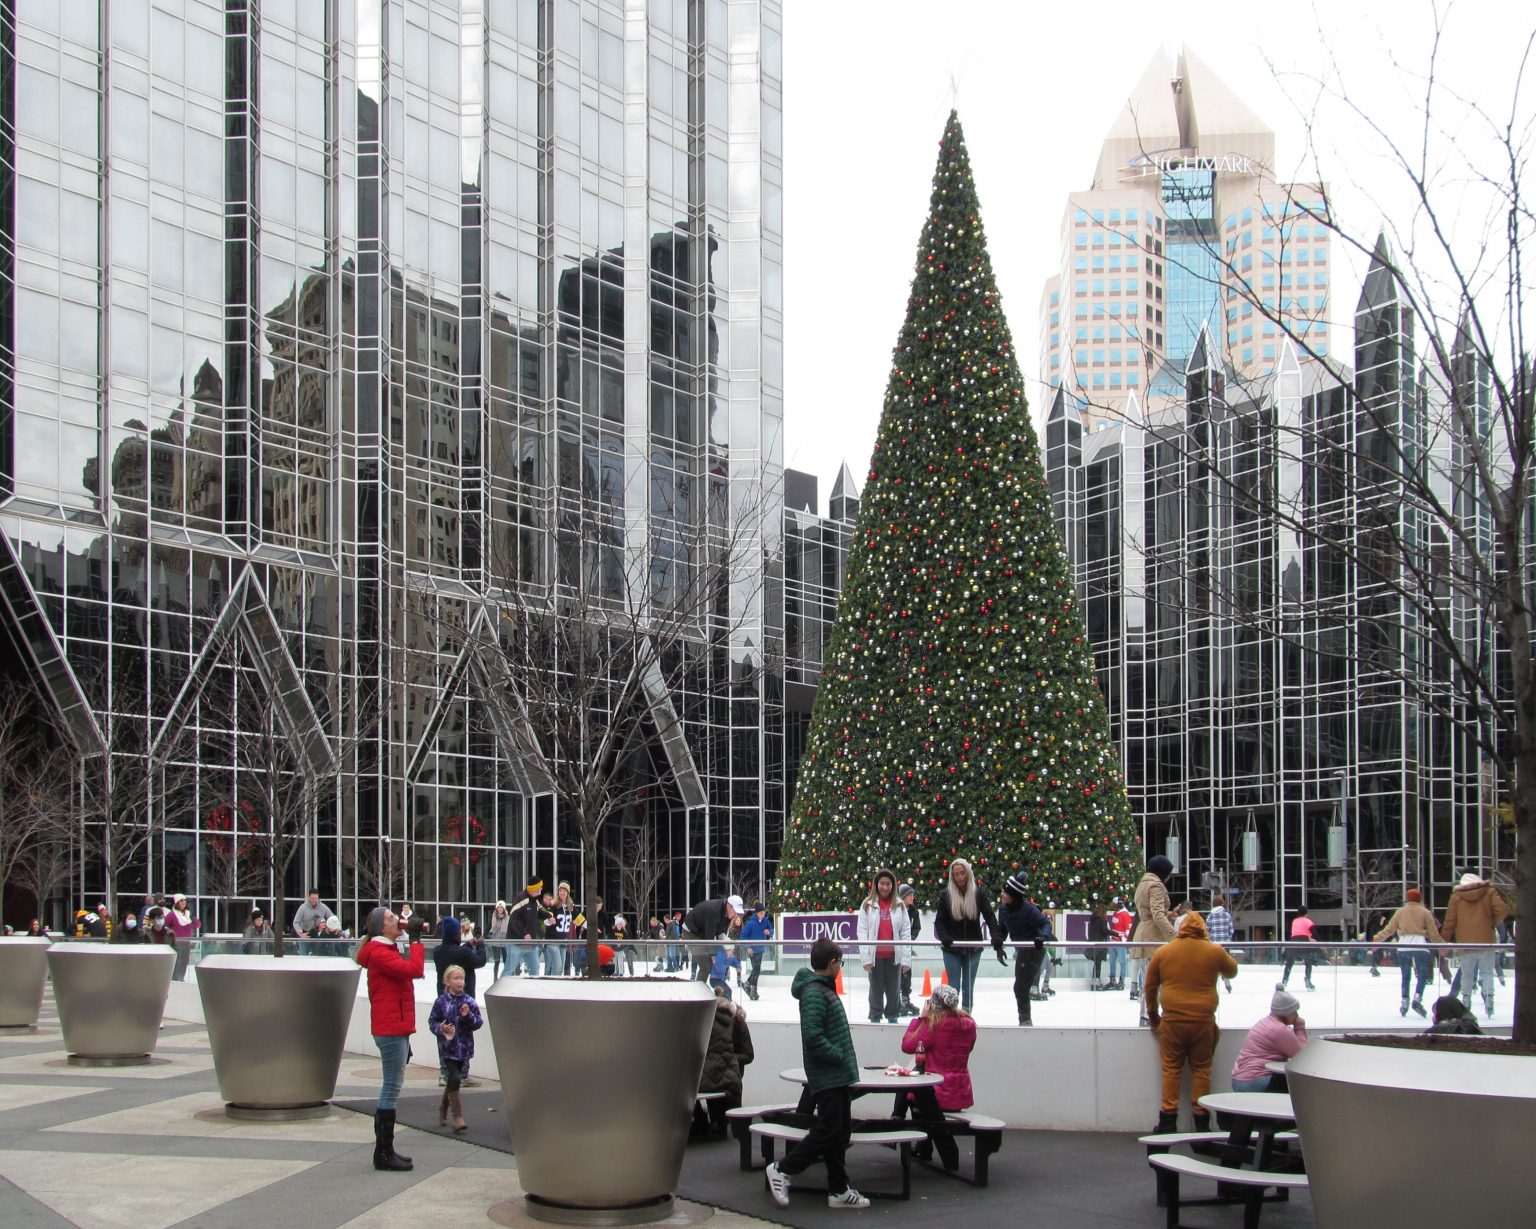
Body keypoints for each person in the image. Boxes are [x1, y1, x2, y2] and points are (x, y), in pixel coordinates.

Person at [764, 937, 869, 1210]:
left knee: (839, 1130)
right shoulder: (815, 993)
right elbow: (813, 1036)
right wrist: (838, 1056)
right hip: (828, 1074)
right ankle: (783, 1168)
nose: (841, 968)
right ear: (832, 963)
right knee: (829, 1129)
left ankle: (838, 1188)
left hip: (836, 1074)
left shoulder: (822, 990)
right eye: (840, 963)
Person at [1144, 911, 1238, 1134]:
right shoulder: (1214, 951)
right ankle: (1201, 1119)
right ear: (1203, 929)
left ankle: (1168, 1119)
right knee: (1202, 1070)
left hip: (1172, 1021)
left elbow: (1149, 986)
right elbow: (1232, 971)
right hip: (1203, 1022)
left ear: (1182, 928)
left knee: (1171, 1069)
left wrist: (1153, 1015)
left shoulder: (1164, 951)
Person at [356, 906, 424, 1171]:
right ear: (380, 928)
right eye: (391, 918)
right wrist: (416, 939)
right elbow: (415, 969)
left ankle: (385, 1150)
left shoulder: (382, 950)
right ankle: (383, 1153)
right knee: (391, 1088)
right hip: (390, 1028)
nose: (397, 920)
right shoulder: (379, 953)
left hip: (393, 1026)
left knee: (391, 1087)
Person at [898, 982, 975, 1169]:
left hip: (937, 1093)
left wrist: (921, 1018)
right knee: (913, 1092)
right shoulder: (969, 1024)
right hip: (960, 1092)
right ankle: (922, 1147)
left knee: (907, 1090)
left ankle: (896, 1126)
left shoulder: (933, 1024)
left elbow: (908, 1046)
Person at [932, 858, 1005, 1012]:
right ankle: (951, 1019)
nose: (960, 877)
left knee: (968, 986)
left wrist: (996, 936)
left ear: (968, 873)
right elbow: (939, 921)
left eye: (962, 873)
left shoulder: (978, 893)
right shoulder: (946, 895)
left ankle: (966, 1017)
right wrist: (944, 936)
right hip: (952, 949)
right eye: (956, 874)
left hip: (973, 948)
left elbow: (990, 917)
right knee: (953, 987)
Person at [1441, 871, 1509, 1020]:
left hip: (1465, 942)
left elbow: (1450, 921)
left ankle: (1466, 1000)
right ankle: (1489, 998)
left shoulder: (1456, 897)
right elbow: (1503, 909)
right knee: (1487, 972)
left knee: (1467, 974)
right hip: (1486, 940)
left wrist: (1443, 940)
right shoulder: (1489, 892)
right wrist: (1492, 922)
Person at [428, 963, 482, 1132]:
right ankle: (457, 1116)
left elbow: (478, 1023)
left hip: (464, 1048)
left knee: (454, 1078)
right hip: (447, 1047)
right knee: (455, 1077)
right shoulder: (441, 1002)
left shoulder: (469, 1001)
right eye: (456, 978)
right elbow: (432, 1022)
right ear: (447, 981)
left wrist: (468, 1016)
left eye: (462, 978)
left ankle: (443, 1106)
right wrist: (440, 1029)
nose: (460, 982)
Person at [695, 986, 755, 1138]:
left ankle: (712, 1123)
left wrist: (728, 1058)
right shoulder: (711, 1022)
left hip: (721, 1071)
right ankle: (718, 1124)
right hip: (725, 1073)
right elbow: (748, 1054)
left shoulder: (707, 1022)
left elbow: (748, 1054)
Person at [856, 869, 912, 1024]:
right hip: (875, 958)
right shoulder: (867, 905)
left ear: (893, 885)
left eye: (888, 884)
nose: (885, 887)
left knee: (894, 992)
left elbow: (906, 932)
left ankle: (893, 1019)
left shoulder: (900, 905)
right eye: (882, 883)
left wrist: (906, 959)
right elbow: (862, 932)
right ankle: (875, 1019)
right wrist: (865, 958)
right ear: (876, 884)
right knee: (875, 992)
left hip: (894, 957)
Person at [1374, 888, 1442, 1017]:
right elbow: (1434, 935)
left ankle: (1405, 1000)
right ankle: (1418, 998)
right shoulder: (1425, 913)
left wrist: (1377, 938)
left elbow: (1389, 930)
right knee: (1422, 974)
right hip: (1420, 945)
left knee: (1406, 975)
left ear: (1407, 899)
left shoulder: (1400, 912)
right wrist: (1444, 945)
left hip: (1403, 946)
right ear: (1419, 899)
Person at [996, 874, 1054, 1025]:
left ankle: (1025, 1020)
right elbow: (1002, 930)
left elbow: (1046, 924)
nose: (1002, 894)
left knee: (1020, 987)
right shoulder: (1003, 910)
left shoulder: (1028, 909)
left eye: (1006, 892)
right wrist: (999, 944)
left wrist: (1043, 937)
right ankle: (1025, 1019)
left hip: (1034, 949)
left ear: (1014, 895)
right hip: (1022, 950)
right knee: (1020, 987)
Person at [1230, 989, 1308, 1092]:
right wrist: (1300, 1028)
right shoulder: (1280, 1030)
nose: (1297, 1015)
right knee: (1298, 1083)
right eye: (1294, 1012)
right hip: (1255, 1082)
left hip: (1239, 1080)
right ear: (1286, 1013)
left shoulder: (1264, 1023)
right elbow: (1304, 1057)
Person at [1131, 855, 1175, 1022]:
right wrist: (1174, 935)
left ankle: (1146, 1013)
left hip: (1143, 933)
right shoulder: (1156, 885)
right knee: (1158, 980)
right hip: (1153, 936)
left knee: (1148, 979)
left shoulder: (1143, 884)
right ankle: (1155, 1013)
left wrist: (1167, 915)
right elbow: (1157, 915)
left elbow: (1149, 912)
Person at [681, 894, 744, 983]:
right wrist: (713, 955)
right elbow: (709, 937)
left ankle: (709, 991)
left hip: (702, 933)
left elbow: (721, 934)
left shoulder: (728, 915)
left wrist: (728, 948)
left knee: (709, 965)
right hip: (691, 932)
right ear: (729, 906)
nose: (736, 915)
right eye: (735, 911)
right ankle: (702, 993)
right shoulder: (714, 911)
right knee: (706, 965)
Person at [433, 915, 488, 997]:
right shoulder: (463, 953)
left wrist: (468, 945)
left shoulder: (437, 951)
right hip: (463, 1001)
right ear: (456, 934)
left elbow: (453, 955)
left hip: (444, 999)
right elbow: (481, 961)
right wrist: (480, 945)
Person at [505, 877, 548, 976]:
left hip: (531, 944)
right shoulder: (520, 898)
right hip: (517, 942)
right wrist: (524, 933)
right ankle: (501, 989)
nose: (541, 890)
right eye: (540, 888)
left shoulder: (535, 900)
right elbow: (514, 919)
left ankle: (532, 990)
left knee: (535, 969)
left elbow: (538, 913)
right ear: (534, 889)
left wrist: (548, 916)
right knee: (509, 970)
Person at [1277, 906, 1320, 992]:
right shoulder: (1308, 921)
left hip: (1294, 942)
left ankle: (1284, 980)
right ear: (1306, 913)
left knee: (1289, 962)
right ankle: (1308, 981)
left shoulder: (1294, 921)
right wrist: (1316, 940)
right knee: (1308, 961)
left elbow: (1295, 933)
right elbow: (1314, 932)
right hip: (1304, 941)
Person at [740, 901, 773, 1001]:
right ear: (757, 913)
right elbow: (743, 936)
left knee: (757, 969)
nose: (763, 915)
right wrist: (748, 947)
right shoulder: (750, 923)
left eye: (764, 913)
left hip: (761, 949)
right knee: (756, 968)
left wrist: (769, 932)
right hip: (752, 950)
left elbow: (771, 930)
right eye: (761, 913)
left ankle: (747, 985)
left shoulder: (766, 921)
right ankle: (753, 990)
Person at [897, 884, 922, 1015]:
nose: (912, 897)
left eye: (913, 895)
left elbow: (917, 927)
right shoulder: (896, 910)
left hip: (907, 946)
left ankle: (905, 1001)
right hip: (896, 948)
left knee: (907, 973)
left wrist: (910, 937)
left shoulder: (914, 911)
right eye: (909, 895)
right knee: (898, 974)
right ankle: (898, 1002)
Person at [164, 895, 200, 981]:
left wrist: (192, 919)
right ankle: (174, 978)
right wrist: (170, 932)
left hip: (186, 942)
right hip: (176, 942)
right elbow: (165, 926)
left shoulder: (188, 914)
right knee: (176, 961)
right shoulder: (172, 915)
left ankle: (181, 978)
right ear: (177, 902)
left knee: (184, 961)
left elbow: (198, 925)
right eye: (181, 900)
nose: (184, 902)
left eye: (185, 900)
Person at [1205, 896, 1236, 992]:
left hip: (1214, 944)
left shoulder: (1210, 916)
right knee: (1225, 963)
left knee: (1213, 964)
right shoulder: (1227, 915)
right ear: (1222, 904)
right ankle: (1227, 981)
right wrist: (1228, 938)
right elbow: (1231, 930)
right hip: (1225, 944)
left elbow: (1207, 930)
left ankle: (1212, 983)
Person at [548, 881, 578, 975]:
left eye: (564, 891)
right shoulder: (553, 904)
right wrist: (549, 920)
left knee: (560, 968)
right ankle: (552, 987)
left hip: (563, 940)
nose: (562, 893)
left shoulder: (570, 906)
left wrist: (589, 927)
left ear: (568, 892)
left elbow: (578, 918)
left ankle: (555, 986)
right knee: (557, 966)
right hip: (552, 939)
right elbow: (547, 917)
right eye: (560, 890)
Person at [292, 891, 335, 956]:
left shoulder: (323, 907)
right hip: (307, 936)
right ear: (309, 897)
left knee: (318, 957)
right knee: (303, 958)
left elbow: (332, 918)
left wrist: (329, 927)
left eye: (316, 898)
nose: (314, 900)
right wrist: (301, 934)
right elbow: (296, 922)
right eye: (312, 898)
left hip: (319, 937)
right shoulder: (302, 908)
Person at [1107, 897, 1133, 992]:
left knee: (1122, 962)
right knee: (1112, 960)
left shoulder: (1125, 914)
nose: (1112, 906)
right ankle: (1112, 980)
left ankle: (1121, 981)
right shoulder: (1116, 912)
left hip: (1120, 942)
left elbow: (1129, 928)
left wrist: (1124, 939)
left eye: (1113, 905)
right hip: (1113, 941)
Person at [1086, 905, 1111, 990]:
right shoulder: (1102, 920)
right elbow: (1106, 931)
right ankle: (1096, 983)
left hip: (1092, 944)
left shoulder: (1093, 919)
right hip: (1099, 945)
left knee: (1096, 963)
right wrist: (1117, 934)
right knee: (1098, 963)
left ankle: (1094, 983)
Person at [487, 900, 511, 977]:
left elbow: (511, 928)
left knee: (505, 961)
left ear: (504, 908)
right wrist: (483, 935)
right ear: (496, 909)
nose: (500, 909)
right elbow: (488, 927)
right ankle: (495, 977)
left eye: (501, 907)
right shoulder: (493, 917)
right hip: (495, 942)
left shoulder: (508, 918)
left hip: (505, 942)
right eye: (499, 907)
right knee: (496, 962)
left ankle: (505, 976)